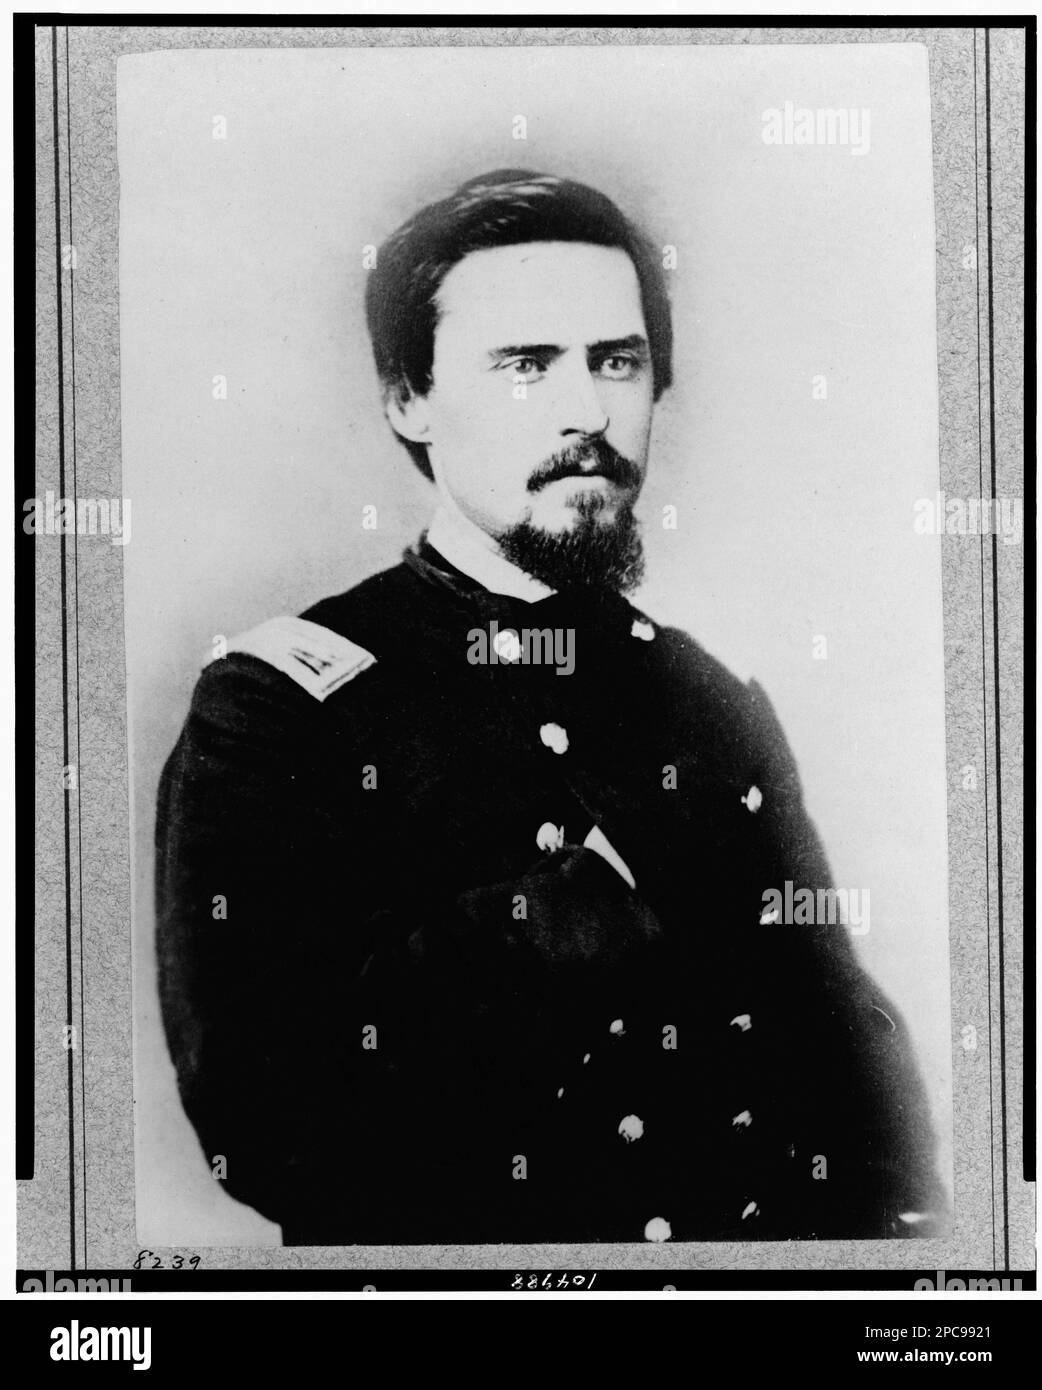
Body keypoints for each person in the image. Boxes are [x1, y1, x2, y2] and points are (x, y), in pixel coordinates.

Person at [155, 169, 946, 1245]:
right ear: (408, 398)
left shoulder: (707, 698)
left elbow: (851, 1082)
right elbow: (269, 1124)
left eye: (616, 362)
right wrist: (583, 906)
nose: (587, 411)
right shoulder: (282, 705)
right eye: (527, 364)